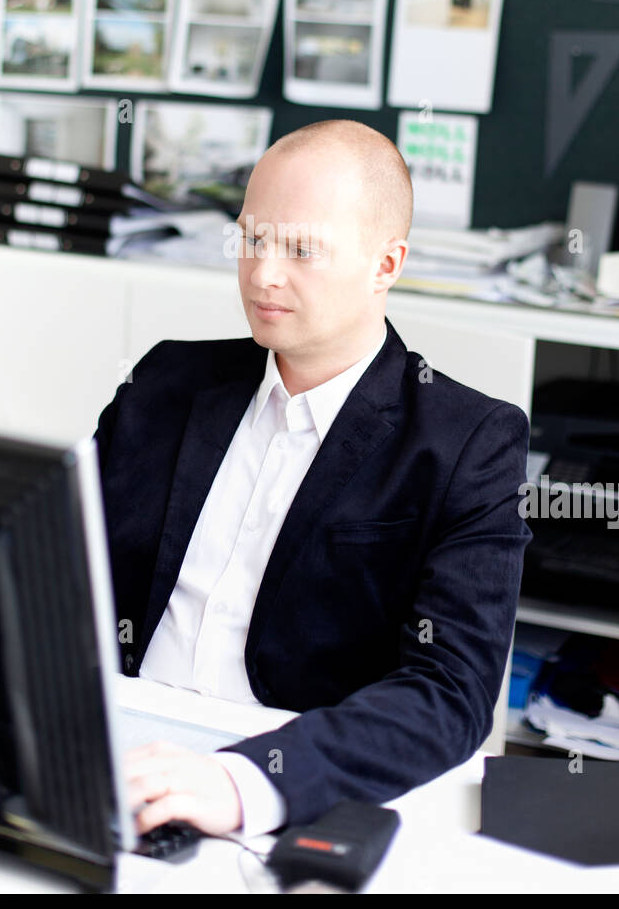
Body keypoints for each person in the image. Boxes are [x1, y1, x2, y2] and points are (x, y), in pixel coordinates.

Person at [94, 119, 531, 838]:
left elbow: (450, 695)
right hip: (120, 746)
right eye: (253, 238)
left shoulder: (467, 445)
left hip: (289, 785)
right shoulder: (166, 382)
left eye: (301, 249)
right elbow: (56, 567)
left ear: (385, 263)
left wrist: (242, 781)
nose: (264, 272)